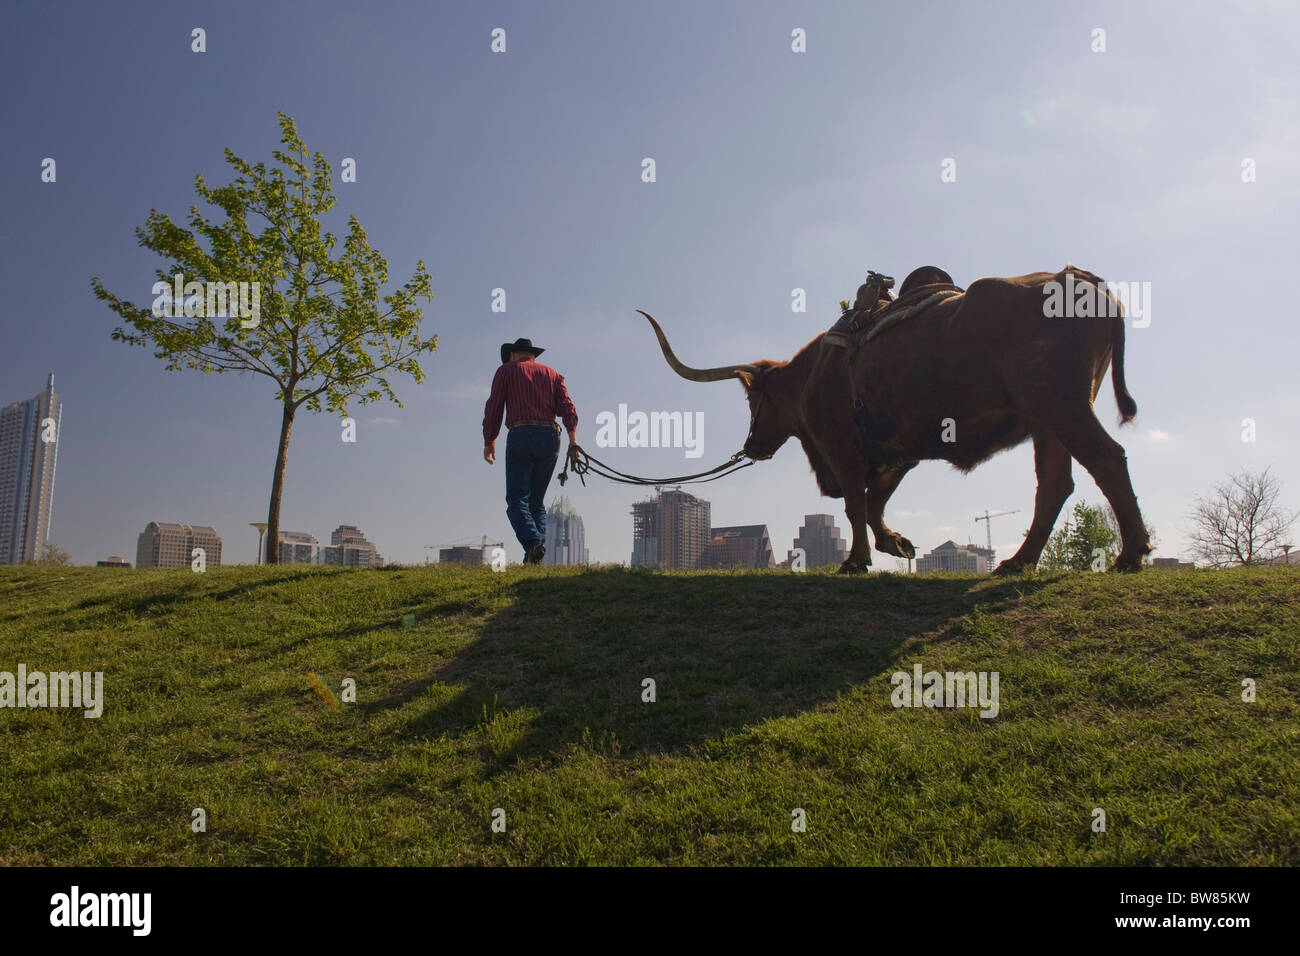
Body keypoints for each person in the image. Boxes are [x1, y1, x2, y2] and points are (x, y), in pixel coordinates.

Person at [482, 337, 580, 565]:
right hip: (550, 437)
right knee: (536, 502)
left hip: (521, 433)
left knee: (517, 499)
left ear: (514, 354)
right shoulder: (553, 375)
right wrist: (573, 441)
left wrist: (489, 440)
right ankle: (532, 556)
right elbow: (568, 409)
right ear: (533, 355)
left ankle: (534, 544)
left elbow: (494, 407)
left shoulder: (506, 371)